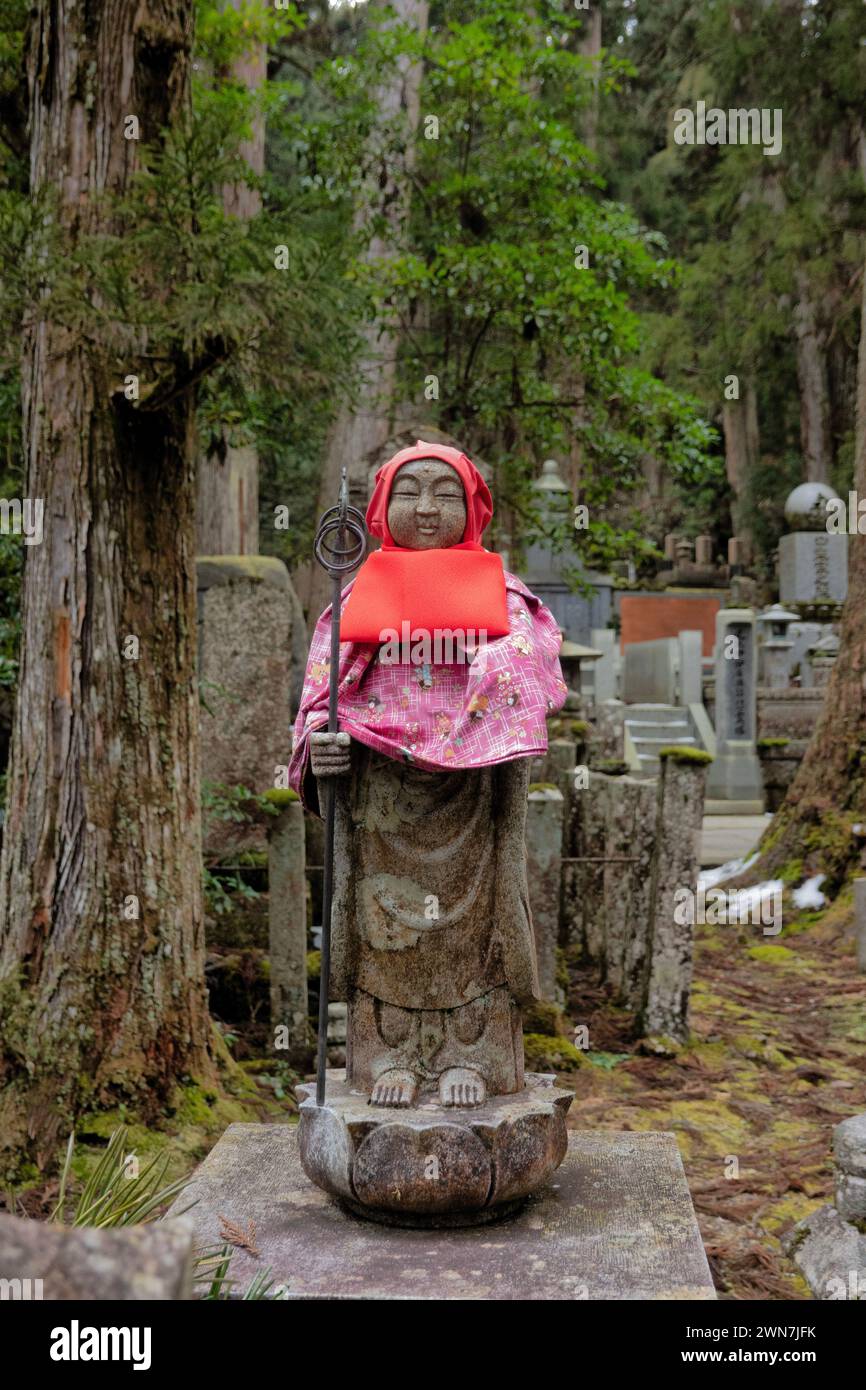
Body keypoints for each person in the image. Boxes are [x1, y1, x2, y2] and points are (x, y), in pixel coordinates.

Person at [289, 442, 567, 1108]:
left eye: (444, 492)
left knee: (472, 923)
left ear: (471, 507)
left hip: (471, 794)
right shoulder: (356, 598)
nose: (425, 506)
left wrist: (493, 699)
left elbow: (531, 668)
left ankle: (471, 1052)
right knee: (388, 921)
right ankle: (390, 1051)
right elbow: (324, 693)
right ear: (383, 506)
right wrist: (324, 747)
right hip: (384, 795)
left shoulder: (504, 594)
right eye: (410, 491)